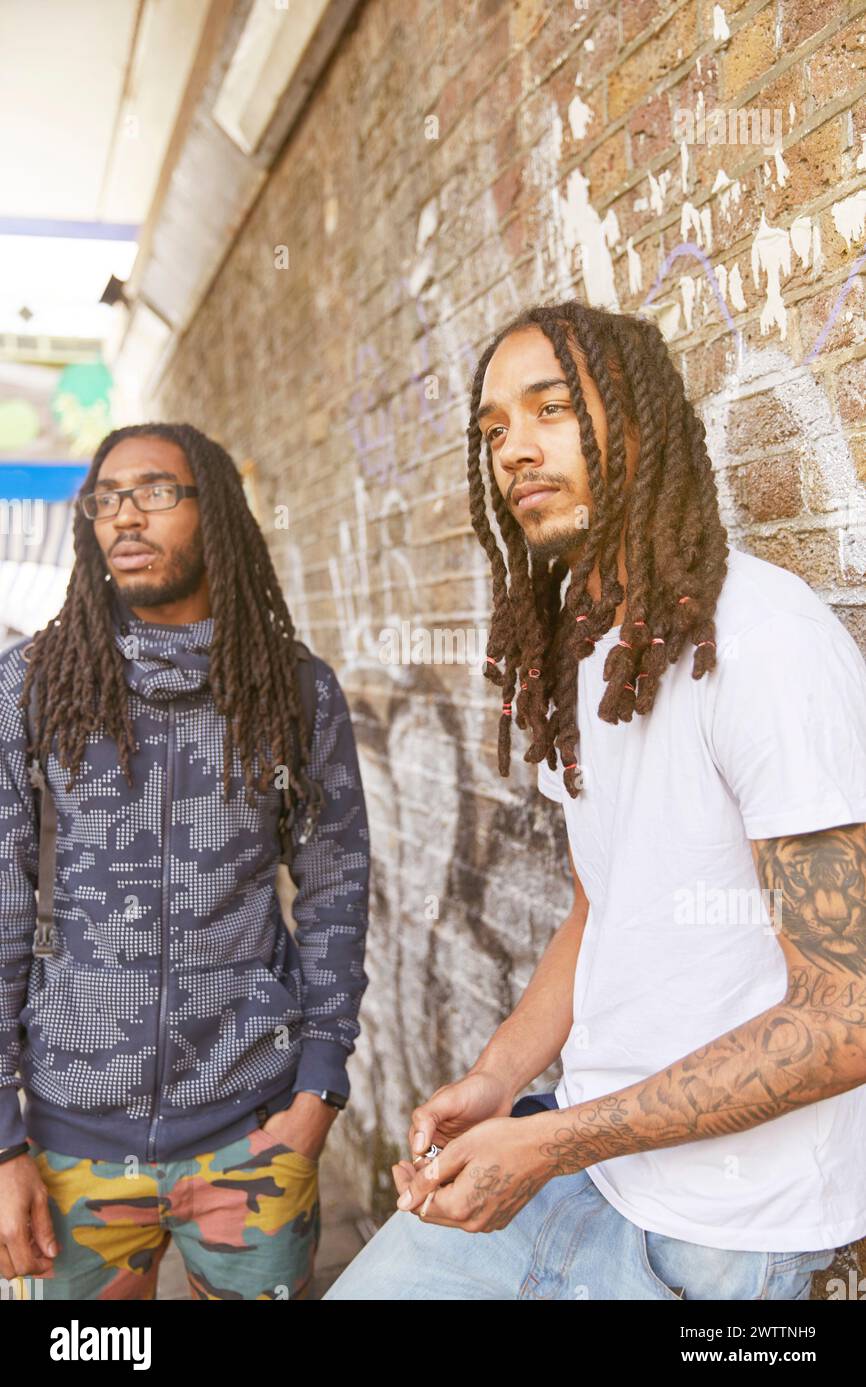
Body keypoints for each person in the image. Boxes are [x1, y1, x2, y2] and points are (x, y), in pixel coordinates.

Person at [324, 300, 866, 1301]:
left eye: (551, 411)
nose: (514, 451)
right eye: (493, 430)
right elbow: (597, 902)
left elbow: (847, 1016)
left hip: (721, 1233)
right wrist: (496, 1080)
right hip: (581, 1159)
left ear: (640, 421)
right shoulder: (585, 652)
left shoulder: (765, 645)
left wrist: (552, 1140)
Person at [0, 422, 370, 1300]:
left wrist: (317, 1091)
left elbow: (335, 894)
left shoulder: (293, 691)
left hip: (253, 1134)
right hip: (68, 1147)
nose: (126, 515)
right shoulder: (32, 688)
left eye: (157, 491)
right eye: (107, 498)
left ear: (218, 511)